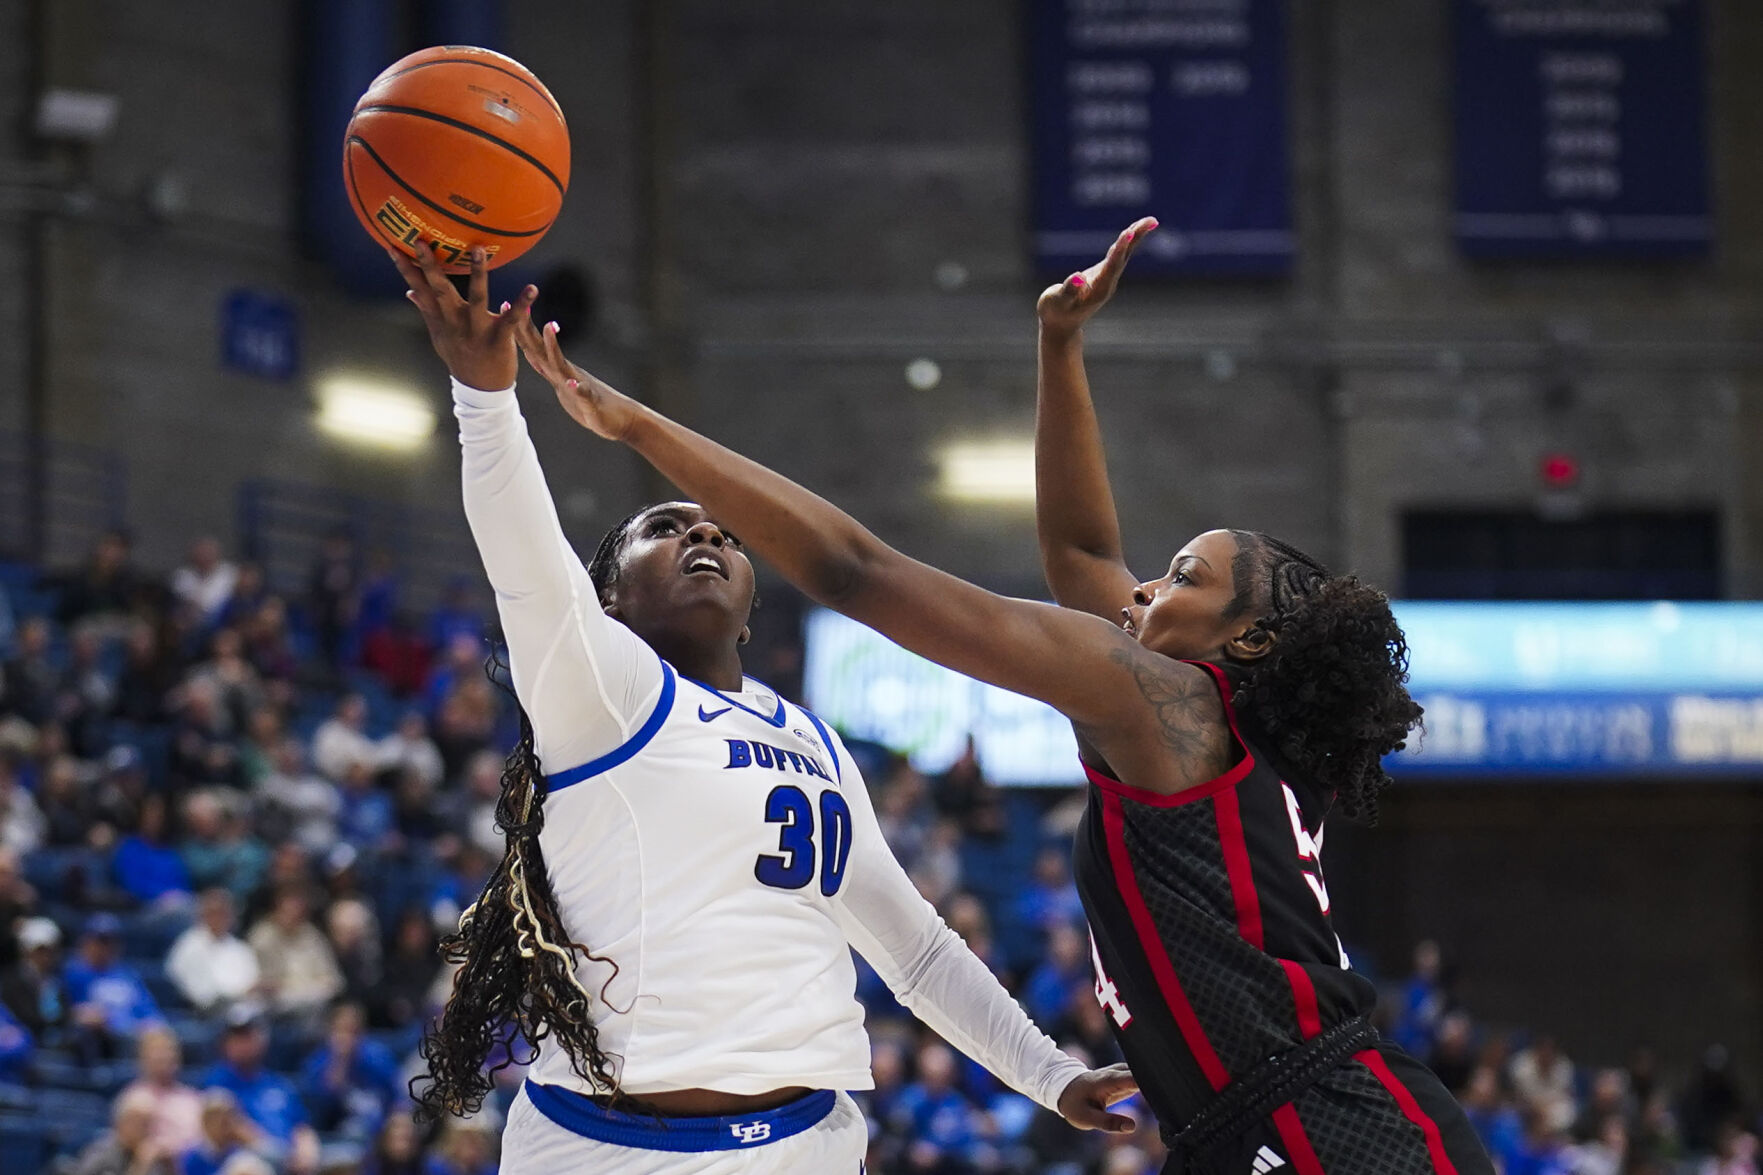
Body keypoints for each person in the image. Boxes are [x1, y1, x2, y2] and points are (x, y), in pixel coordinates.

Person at [503, 218, 1494, 1175]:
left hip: (1325, 1124)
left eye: (1183, 577)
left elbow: (852, 569)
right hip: (1260, 1117)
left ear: (1252, 638)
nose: (1143, 587)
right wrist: (1058, 346)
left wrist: (631, 424)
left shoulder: (1170, 703)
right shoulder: (1204, 715)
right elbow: (1080, 555)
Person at [390, 243, 1135, 1172]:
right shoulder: (603, 692)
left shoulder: (815, 737)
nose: (703, 530)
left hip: (804, 1145)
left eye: (723, 533)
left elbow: (915, 951)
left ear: (750, 612)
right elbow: (524, 562)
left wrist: (1048, 1074)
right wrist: (484, 399)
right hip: (606, 1151)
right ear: (608, 598)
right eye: (663, 529)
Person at [166, 888, 261, 1012]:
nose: (219, 918)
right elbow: (198, 992)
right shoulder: (188, 945)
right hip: (205, 1011)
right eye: (213, 913)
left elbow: (252, 984)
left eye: (224, 913)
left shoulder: (241, 949)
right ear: (202, 915)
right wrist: (237, 994)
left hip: (243, 1009)